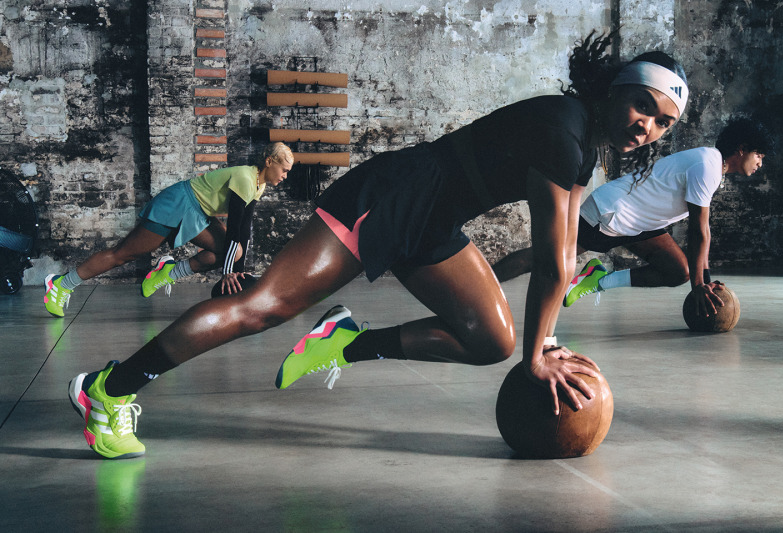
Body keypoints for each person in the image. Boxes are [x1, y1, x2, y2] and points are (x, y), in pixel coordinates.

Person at [67, 31, 688, 459]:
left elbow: (569, 248)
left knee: (490, 340)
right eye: (643, 106)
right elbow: (554, 261)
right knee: (263, 307)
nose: (647, 127)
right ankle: (110, 389)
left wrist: (539, 343)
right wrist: (541, 356)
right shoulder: (564, 129)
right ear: (615, 91)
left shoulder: (586, 145)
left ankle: (345, 342)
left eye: (662, 123)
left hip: (433, 222)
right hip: (391, 197)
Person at [492, 117, 771, 317]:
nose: (760, 163)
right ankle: (480, 286)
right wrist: (700, 285)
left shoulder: (712, 167)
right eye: (759, 155)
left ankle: (596, 279)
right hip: (611, 212)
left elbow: (700, 231)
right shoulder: (708, 164)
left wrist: (702, 280)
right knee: (542, 257)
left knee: (678, 271)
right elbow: (700, 230)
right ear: (742, 148)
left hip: (640, 224)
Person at [43, 142, 294, 317]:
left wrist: (237, 275)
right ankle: (62, 284)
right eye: (284, 170)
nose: (285, 176)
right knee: (123, 254)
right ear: (269, 161)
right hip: (179, 203)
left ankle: (168, 272)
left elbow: (244, 231)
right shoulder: (245, 177)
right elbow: (234, 230)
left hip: (198, 212)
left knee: (233, 252)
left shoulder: (258, 185)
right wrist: (227, 272)